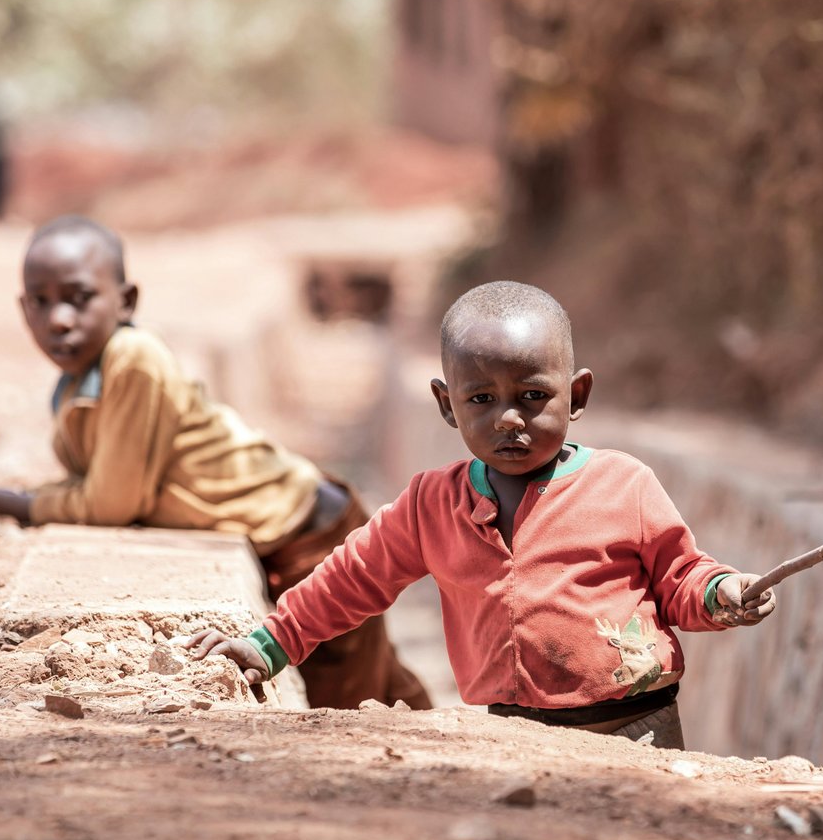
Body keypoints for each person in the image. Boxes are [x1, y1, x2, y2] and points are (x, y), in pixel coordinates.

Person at [188, 281, 775, 748]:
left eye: (532, 396)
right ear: (447, 405)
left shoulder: (624, 485)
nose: (509, 419)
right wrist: (271, 643)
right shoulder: (431, 504)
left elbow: (680, 578)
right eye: (481, 399)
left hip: (636, 729)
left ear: (577, 395)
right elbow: (351, 578)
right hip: (508, 736)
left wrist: (723, 593)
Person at [0, 215, 431, 711]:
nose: (59, 319)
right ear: (22, 309)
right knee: (378, 676)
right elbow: (99, 484)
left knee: (344, 698)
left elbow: (111, 503)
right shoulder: (79, 378)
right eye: (40, 303)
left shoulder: (132, 358)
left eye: (79, 298)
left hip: (310, 534)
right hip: (292, 531)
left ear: (126, 300)